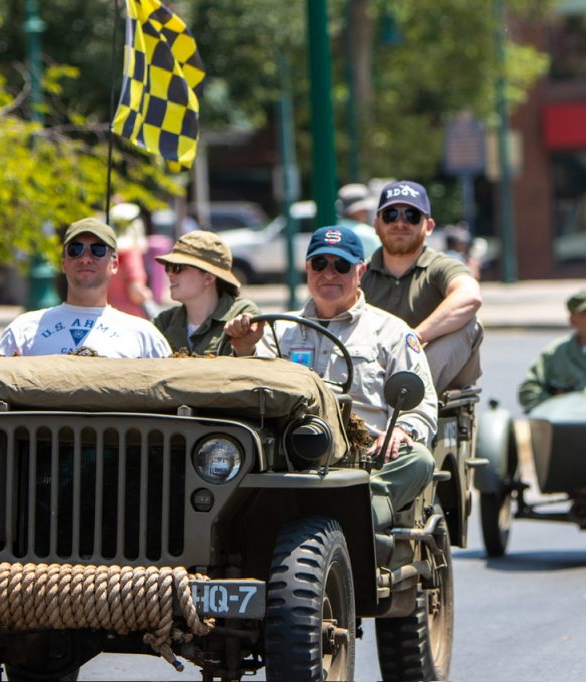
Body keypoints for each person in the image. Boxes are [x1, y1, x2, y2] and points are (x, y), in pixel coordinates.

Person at [225, 225, 437, 515]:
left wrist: (401, 429)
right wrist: (245, 348)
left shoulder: (391, 332)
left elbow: (421, 403)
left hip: (365, 458)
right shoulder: (278, 329)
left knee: (419, 459)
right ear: (307, 268)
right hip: (289, 455)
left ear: (360, 272)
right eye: (320, 263)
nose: (329, 273)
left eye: (341, 265)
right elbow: (251, 393)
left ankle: (361, 515)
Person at [361, 180, 484, 394]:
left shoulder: (440, 266)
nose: (400, 223)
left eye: (411, 216)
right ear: (376, 225)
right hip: (371, 375)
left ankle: (409, 399)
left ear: (428, 227)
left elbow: (469, 296)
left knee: (469, 324)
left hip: (429, 381)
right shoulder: (359, 273)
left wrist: (413, 338)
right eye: (390, 215)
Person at [0, 218, 171, 358]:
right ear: (63, 263)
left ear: (115, 264)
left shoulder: (144, 335)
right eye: (75, 249)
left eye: (98, 250)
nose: (85, 258)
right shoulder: (23, 329)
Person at [152, 230, 259, 354]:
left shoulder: (242, 313)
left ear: (208, 278)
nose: (169, 273)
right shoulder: (164, 322)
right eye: (168, 266)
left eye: (177, 267)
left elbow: (255, 368)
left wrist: (245, 347)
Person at [105, 201, 155, 318]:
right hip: (130, 318)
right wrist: (147, 294)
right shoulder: (130, 253)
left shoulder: (107, 253)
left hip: (109, 315)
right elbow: (136, 293)